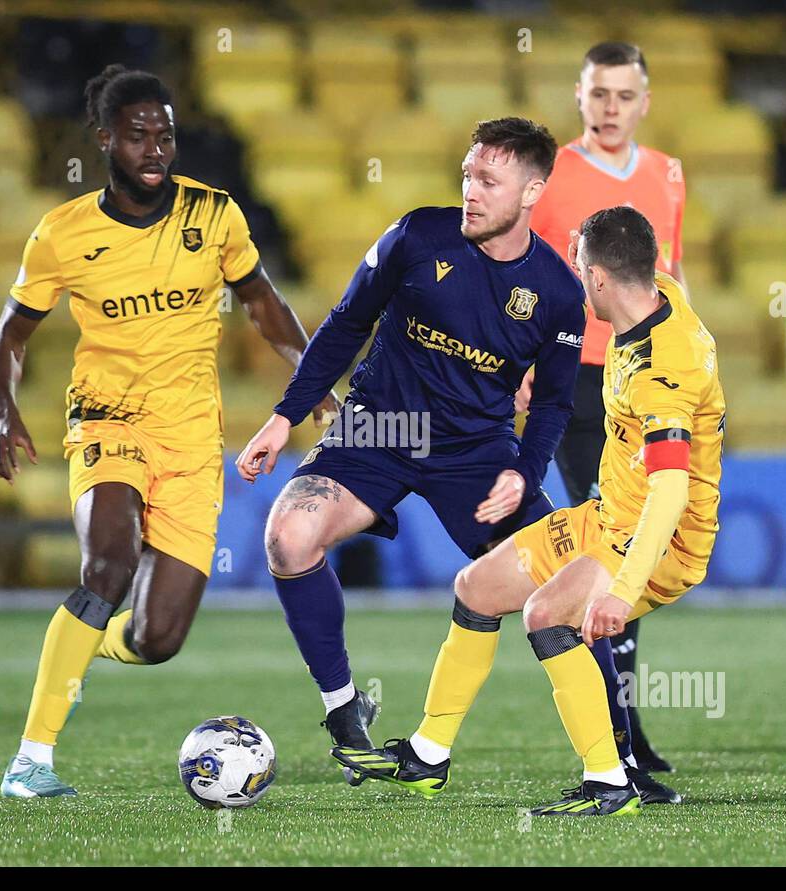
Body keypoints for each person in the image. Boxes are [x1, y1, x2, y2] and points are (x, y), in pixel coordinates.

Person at [0, 65, 335, 797]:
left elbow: (263, 304)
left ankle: (88, 645)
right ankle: (32, 759)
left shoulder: (216, 216)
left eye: (165, 134)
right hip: (106, 423)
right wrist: (3, 408)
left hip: (190, 443)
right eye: (138, 134)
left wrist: (315, 388)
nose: (155, 148)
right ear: (106, 139)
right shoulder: (64, 232)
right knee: (107, 567)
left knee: (158, 639)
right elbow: (11, 336)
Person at [237, 117, 599, 785]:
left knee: (569, 581)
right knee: (288, 538)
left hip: (476, 449)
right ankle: (347, 714)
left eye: (488, 180)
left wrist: (524, 473)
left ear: (531, 193)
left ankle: (609, 765)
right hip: (380, 431)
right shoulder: (417, 236)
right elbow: (347, 324)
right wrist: (284, 417)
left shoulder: (556, 294)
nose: (471, 191)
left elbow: (551, 404)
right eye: (467, 175)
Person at [333, 206, 725, 817]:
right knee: (477, 587)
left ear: (597, 279)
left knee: (547, 615)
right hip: (609, 516)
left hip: (663, 537)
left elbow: (670, 493)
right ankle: (428, 754)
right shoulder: (658, 294)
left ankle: (609, 782)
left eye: (578, 268)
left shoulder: (662, 372)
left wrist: (621, 592)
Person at [526, 40, 687, 776]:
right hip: (580, 380)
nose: (612, 108)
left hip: (647, 376)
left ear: (644, 100)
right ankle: (614, 736)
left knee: (634, 552)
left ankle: (624, 725)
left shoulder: (666, 175)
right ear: (580, 98)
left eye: (624, 95)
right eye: (600, 95)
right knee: (612, 543)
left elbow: (671, 277)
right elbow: (524, 279)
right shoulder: (553, 174)